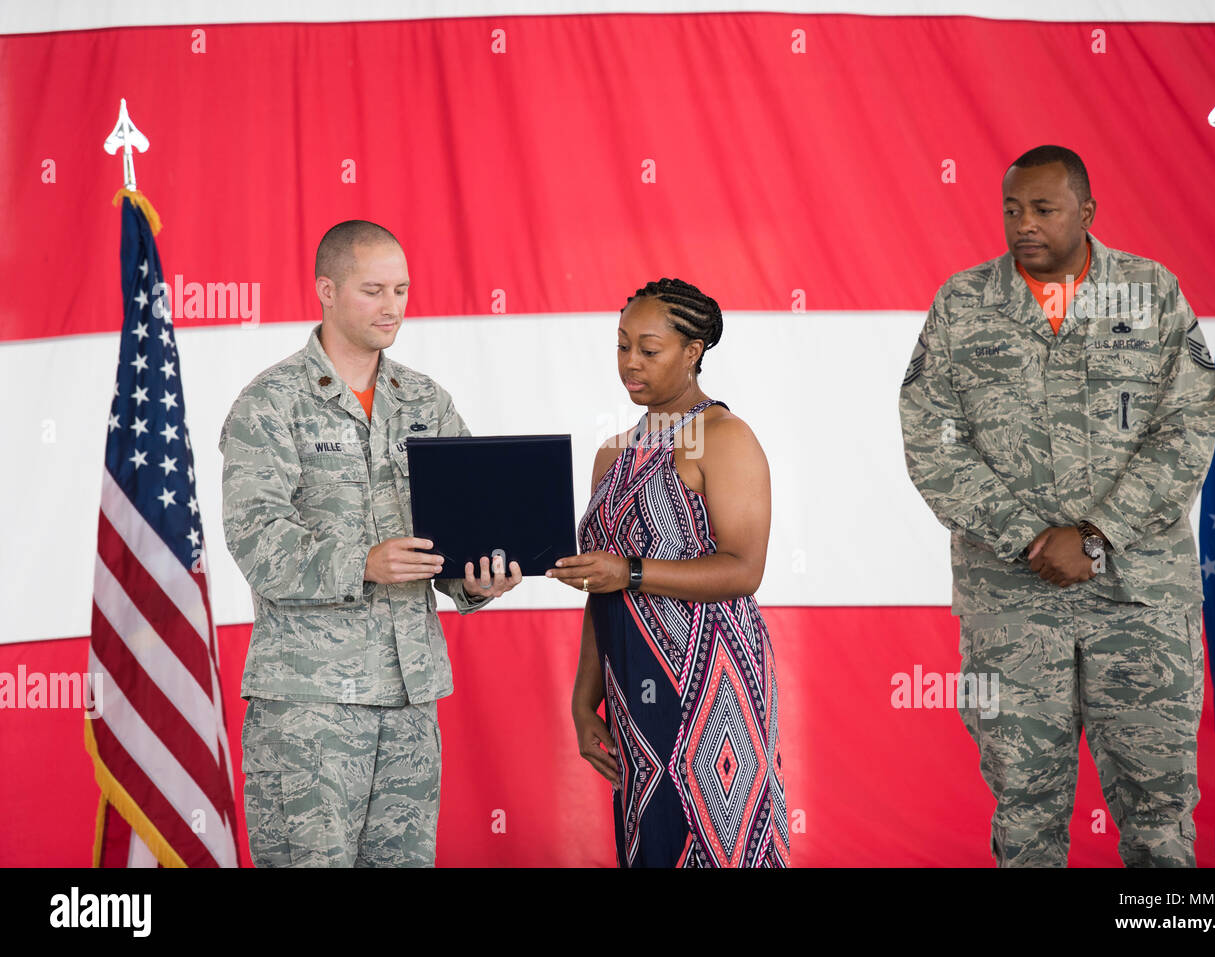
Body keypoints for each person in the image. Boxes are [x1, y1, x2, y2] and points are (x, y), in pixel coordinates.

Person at [899, 145, 1215, 867]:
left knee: (1160, 820)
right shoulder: (963, 303)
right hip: (1012, 605)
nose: (1024, 224)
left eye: (1043, 208)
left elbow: (1190, 425)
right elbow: (931, 442)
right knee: (1025, 820)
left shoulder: (1152, 293)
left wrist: (1099, 534)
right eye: (1012, 208)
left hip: (1139, 602)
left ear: (1086, 211)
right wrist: (1030, 540)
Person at [219, 220, 521, 867]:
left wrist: (477, 578)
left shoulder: (424, 401)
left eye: (402, 290)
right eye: (373, 290)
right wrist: (362, 562)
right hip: (310, 708)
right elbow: (255, 538)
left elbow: (461, 526)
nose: (392, 308)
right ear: (326, 290)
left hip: (411, 701)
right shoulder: (271, 404)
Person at [548, 278, 790, 868]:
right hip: (631, 674)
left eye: (648, 350)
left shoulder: (725, 438)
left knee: (717, 839)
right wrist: (583, 705)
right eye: (622, 345)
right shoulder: (612, 452)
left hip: (710, 677)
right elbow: (599, 589)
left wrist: (628, 571)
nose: (630, 363)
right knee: (649, 838)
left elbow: (743, 569)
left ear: (693, 351)